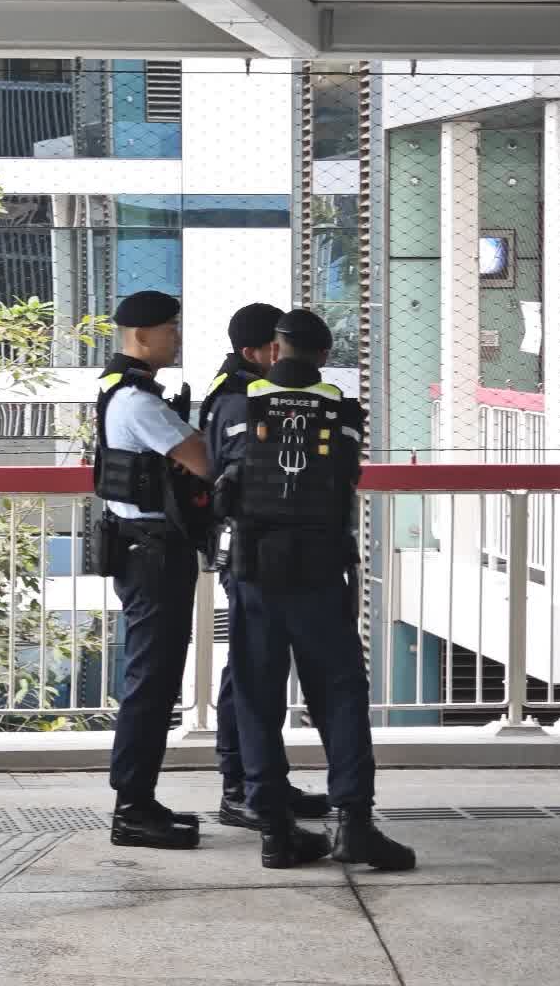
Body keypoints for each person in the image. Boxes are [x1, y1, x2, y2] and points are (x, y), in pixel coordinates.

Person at [218, 309, 417, 872]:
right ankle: (354, 824)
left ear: (275, 351)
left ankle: (275, 832)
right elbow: (346, 477)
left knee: (256, 697)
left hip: (255, 571)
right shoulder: (343, 412)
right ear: (324, 356)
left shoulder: (237, 406)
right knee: (340, 695)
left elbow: (219, 480)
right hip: (323, 573)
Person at [201, 302, 332, 830]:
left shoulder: (236, 394)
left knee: (254, 671)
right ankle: (241, 786)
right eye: (275, 346)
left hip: (253, 551)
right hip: (252, 552)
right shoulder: (238, 402)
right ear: (253, 352)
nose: (283, 355)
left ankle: (264, 782)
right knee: (249, 674)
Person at [92, 289, 213, 850]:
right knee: (151, 681)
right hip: (153, 553)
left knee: (154, 679)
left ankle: (138, 800)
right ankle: (133, 807)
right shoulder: (139, 402)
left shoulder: (123, 391)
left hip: (144, 550)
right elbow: (202, 460)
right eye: (170, 328)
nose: (177, 337)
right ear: (141, 336)